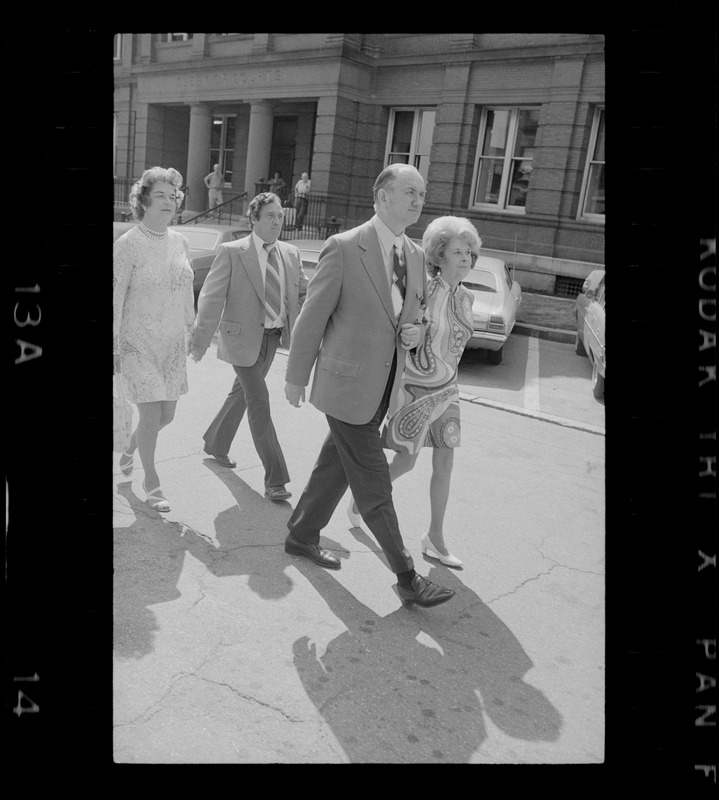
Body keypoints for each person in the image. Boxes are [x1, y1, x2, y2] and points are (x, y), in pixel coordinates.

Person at [283, 164, 455, 609]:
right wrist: (295, 376)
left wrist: (415, 331)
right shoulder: (343, 247)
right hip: (343, 383)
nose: (417, 200)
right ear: (381, 197)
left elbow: (412, 315)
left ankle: (301, 534)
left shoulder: (415, 254)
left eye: (421, 193)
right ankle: (407, 576)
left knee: (334, 467)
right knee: (374, 482)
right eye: (408, 192)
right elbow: (312, 317)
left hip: (385, 386)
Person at [348, 216, 481, 568]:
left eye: (469, 251)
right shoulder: (426, 288)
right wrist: (415, 334)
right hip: (416, 387)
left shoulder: (467, 298)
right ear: (440, 255)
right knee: (406, 460)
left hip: (448, 391)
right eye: (457, 251)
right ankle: (364, 497)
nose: (466, 258)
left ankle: (435, 537)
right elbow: (409, 328)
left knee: (446, 461)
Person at [191, 192, 309, 501]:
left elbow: (305, 292)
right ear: (253, 219)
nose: (276, 221)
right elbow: (212, 298)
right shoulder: (232, 252)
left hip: (273, 339)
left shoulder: (291, 253)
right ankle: (276, 479)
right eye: (269, 215)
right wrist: (200, 341)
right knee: (259, 400)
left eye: (280, 216)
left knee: (240, 395)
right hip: (241, 339)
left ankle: (215, 442)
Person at [113, 166, 195, 512]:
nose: (168, 201)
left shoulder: (181, 241)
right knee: (150, 417)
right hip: (137, 343)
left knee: (166, 417)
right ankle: (151, 481)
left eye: (172, 195)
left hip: (173, 345)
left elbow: (187, 292)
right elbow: (115, 297)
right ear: (143, 201)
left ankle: (130, 450)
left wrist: (190, 331)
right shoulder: (128, 244)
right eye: (159, 195)